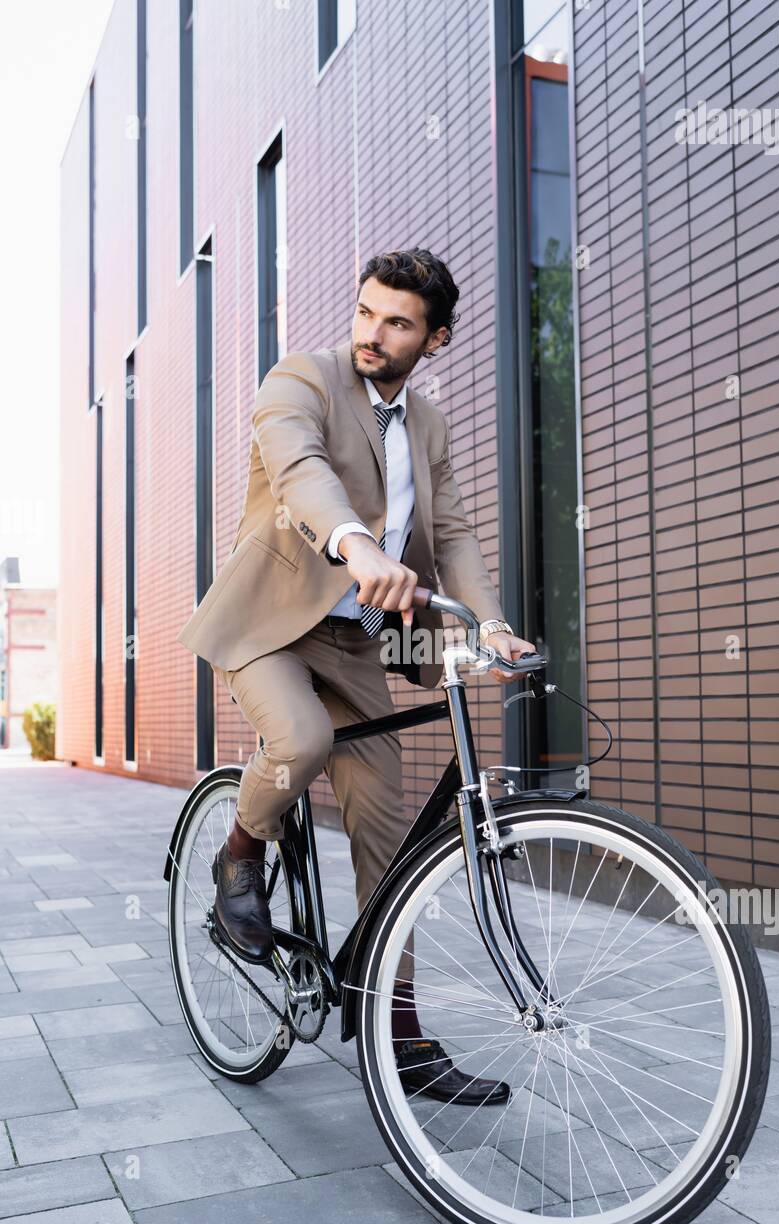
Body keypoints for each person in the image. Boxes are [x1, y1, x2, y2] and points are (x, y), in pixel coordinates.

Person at [177, 247, 536, 1103]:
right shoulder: (300, 378)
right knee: (298, 740)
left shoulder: (429, 425)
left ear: (435, 339)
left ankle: (400, 1035)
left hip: (357, 644)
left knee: (390, 844)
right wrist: (358, 544)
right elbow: (299, 469)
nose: (373, 334)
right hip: (270, 625)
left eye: (398, 323)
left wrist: (488, 622)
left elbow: (450, 536)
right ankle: (240, 851)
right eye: (366, 312)